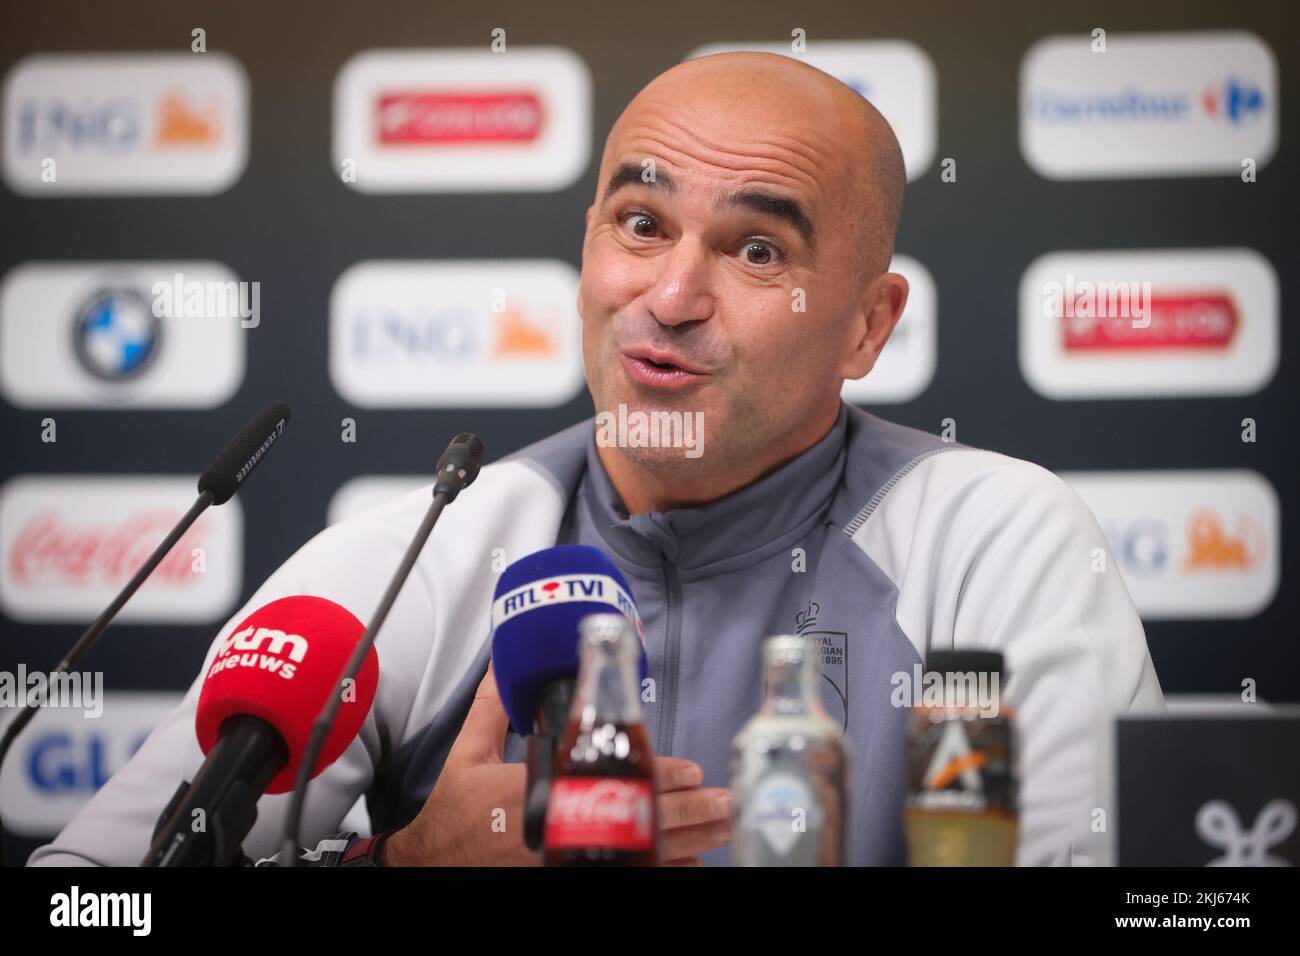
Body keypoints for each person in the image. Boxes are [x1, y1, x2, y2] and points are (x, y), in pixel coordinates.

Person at [30, 51, 1163, 868]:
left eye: (756, 249)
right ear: (587, 247)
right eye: (639, 224)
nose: (668, 298)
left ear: (867, 325)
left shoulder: (994, 538)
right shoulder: (411, 556)